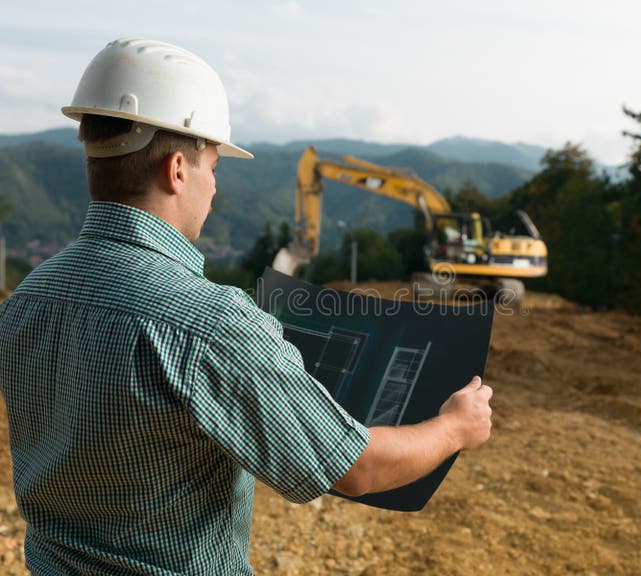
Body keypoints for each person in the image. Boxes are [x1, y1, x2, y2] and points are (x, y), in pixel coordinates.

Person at [0, 38, 492, 575]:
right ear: (178, 170)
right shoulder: (209, 324)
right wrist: (455, 428)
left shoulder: (28, 298)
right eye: (214, 166)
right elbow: (355, 468)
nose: (214, 189)